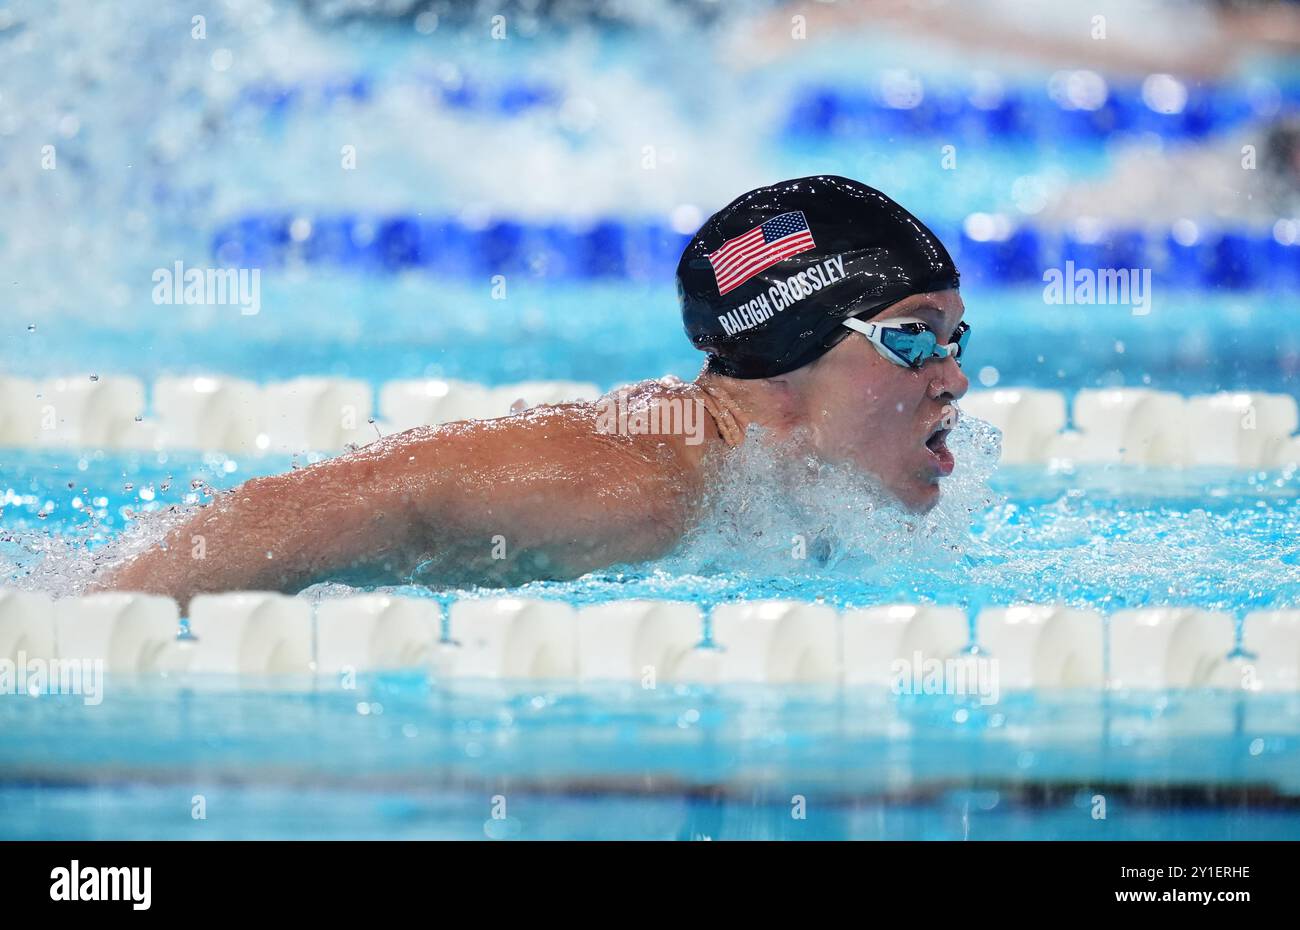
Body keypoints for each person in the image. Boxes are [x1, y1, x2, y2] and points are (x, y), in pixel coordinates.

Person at [89, 176, 970, 611]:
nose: (953, 377)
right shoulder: (640, 491)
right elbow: (351, 499)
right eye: (914, 338)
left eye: (955, 339)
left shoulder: (763, 483)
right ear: (789, 353)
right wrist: (99, 623)